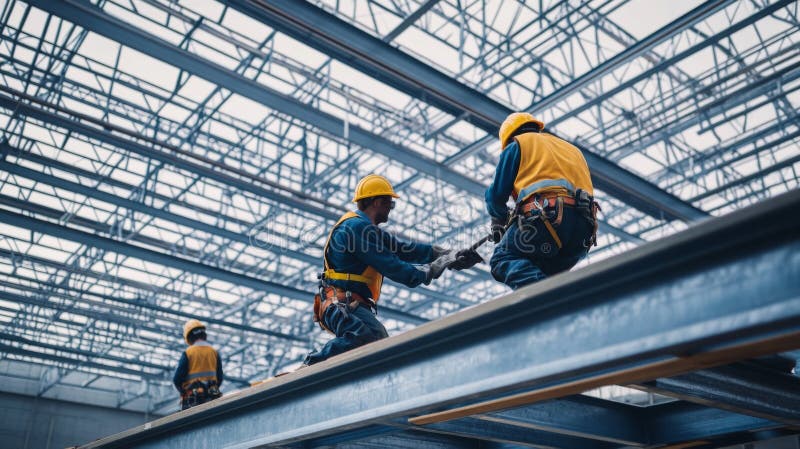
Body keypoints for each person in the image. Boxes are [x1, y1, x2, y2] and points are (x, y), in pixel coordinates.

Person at [304, 174, 479, 366]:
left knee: (377, 343)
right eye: (390, 204)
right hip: (341, 302)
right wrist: (436, 267)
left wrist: (447, 254)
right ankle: (311, 366)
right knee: (362, 337)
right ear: (378, 202)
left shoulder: (367, 229)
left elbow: (406, 250)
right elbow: (394, 267)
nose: (391, 209)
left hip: (350, 303)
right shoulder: (356, 228)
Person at [486, 112, 599, 290]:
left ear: (509, 137)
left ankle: (547, 301)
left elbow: (496, 196)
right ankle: (564, 303)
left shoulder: (517, 145)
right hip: (583, 231)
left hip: (548, 218)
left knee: (503, 258)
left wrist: (498, 221)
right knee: (546, 274)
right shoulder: (572, 149)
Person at [173, 319, 223, 410]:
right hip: (213, 394)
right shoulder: (214, 352)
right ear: (204, 334)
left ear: (189, 337)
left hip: (194, 396)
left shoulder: (188, 353)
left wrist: (183, 392)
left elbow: (177, 379)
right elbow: (220, 377)